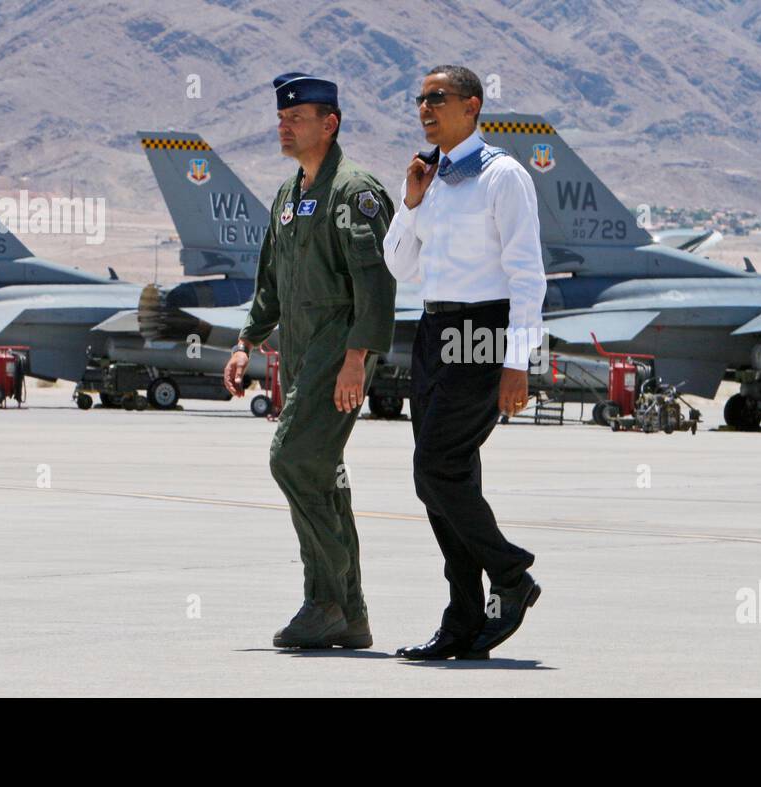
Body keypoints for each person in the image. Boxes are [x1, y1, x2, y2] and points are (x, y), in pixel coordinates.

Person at [224, 72, 397, 648]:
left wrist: (357, 359)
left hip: (339, 349)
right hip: (300, 352)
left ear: (330, 123)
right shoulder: (289, 194)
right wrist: (246, 340)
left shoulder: (355, 192)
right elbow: (272, 279)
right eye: (281, 119)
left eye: (295, 119)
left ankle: (323, 601)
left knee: (293, 460)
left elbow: (376, 284)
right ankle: (351, 613)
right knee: (324, 476)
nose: (284, 127)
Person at [383, 65, 548, 660]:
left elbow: (528, 275)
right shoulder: (433, 178)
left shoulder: (503, 176)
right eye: (420, 98)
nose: (425, 108)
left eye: (438, 98)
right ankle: (463, 618)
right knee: (442, 479)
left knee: (436, 465)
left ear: (472, 105)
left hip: (483, 330)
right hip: (432, 329)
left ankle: (510, 574)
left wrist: (517, 363)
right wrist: (410, 201)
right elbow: (400, 265)